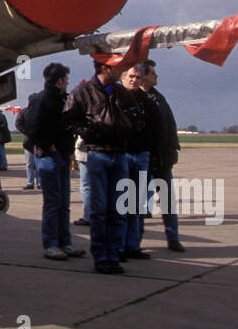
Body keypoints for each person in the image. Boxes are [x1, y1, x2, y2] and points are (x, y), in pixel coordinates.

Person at [65, 60, 135, 274]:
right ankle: (101, 256)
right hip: (97, 154)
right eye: (118, 67)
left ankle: (113, 254)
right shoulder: (83, 91)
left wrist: (131, 128)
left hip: (119, 155)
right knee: (99, 210)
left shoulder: (121, 92)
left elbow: (136, 114)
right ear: (105, 68)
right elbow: (68, 119)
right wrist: (90, 132)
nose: (121, 70)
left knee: (117, 210)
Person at [30, 62, 84, 261]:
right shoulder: (41, 100)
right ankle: (51, 244)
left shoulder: (63, 100)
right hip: (49, 157)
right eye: (66, 79)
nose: (67, 83)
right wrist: (49, 147)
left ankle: (65, 242)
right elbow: (32, 128)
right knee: (53, 203)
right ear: (60, 80)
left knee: (64, 203)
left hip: (62, 156)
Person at [136, 60, 184, 252]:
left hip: (161, 160)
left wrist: (173, 149)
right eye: (153, 73)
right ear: (143, 76)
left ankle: (173, 238)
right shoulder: (133, 98)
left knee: (168, 201)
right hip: (141, 158)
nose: (156, 76)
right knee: (136, 203)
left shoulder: (159, 98)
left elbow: (169, 126)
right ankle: (134, 242)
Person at [119, 68, 153, 260]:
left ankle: (133, 245)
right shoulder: (114, 97)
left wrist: (149, 151)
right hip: (121, 155)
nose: (133, 80)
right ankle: (119, 246)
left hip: (141, 155)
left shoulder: (146, 101)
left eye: (137, 77)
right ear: (123, 78)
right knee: (120, 203)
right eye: (130, 76)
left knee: (137, 205)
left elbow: (156, 126)